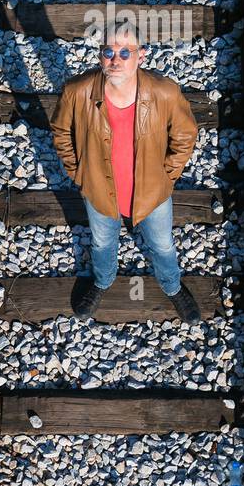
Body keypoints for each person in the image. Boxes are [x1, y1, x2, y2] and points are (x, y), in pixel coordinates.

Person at [49, 20, 201, 323]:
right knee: (103, 242)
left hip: (151, 192)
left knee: (162, 244)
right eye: (108, 52)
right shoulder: (76, 92)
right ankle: (103, 281)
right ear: (99, 55)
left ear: (141, 56)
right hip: (99, 191)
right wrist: (78, 174)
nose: (115, 60)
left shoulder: (165, 92)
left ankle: (172, 286)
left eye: (124, 53)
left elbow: (185, 135)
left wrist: (166, 176)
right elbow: (61, 133)